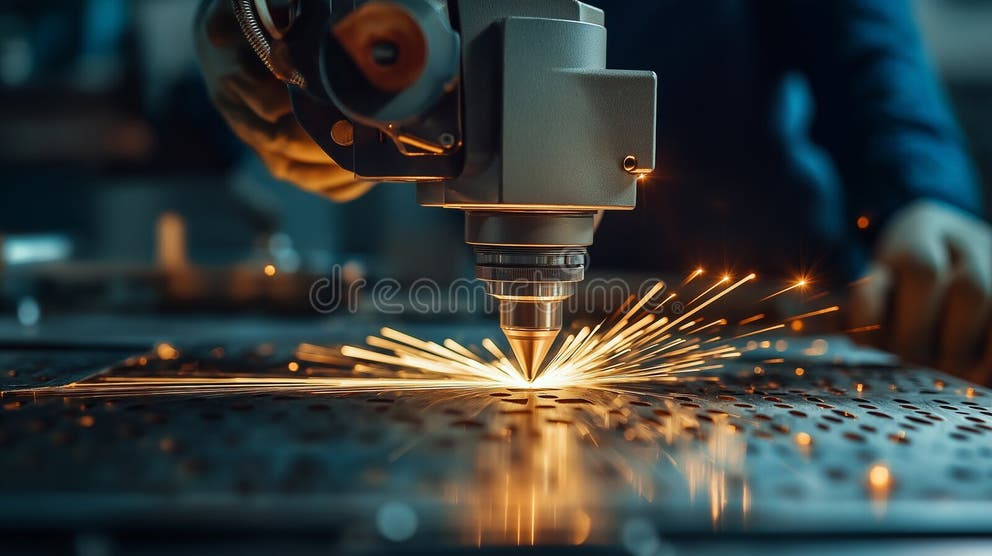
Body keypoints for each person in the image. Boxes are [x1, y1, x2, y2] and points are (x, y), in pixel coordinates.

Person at [194, 0, 992, 382]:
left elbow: (864, 36)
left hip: (769, 289)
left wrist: (922, 195)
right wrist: (285, 45)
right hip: (489, 291)